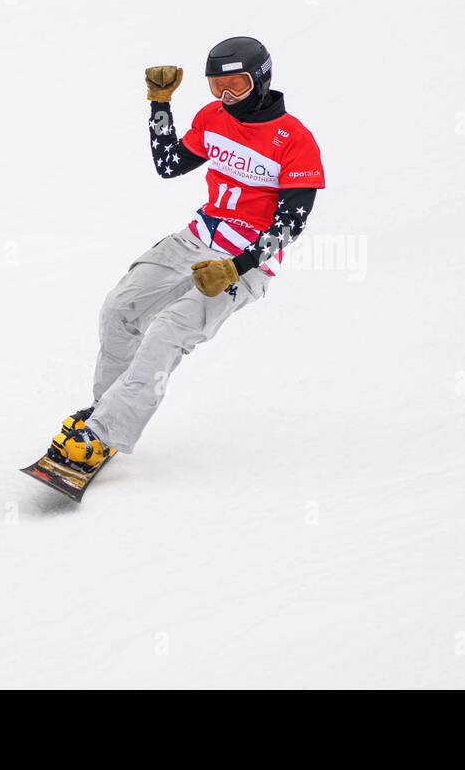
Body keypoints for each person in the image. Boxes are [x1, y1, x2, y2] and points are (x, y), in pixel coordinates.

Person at [44, 36, 326, 471]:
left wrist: (236, 267)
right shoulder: (212, 118)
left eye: (237, 85)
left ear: (262, 80)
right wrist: (159, 104)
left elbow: (290, 223)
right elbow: (170, 164)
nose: (227, 97)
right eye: (217, 87)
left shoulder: (295, 140)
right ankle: (105, 412)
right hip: (196, 238)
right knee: (120, 308)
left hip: (243, 262)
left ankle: (105, 434)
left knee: (167, 332)